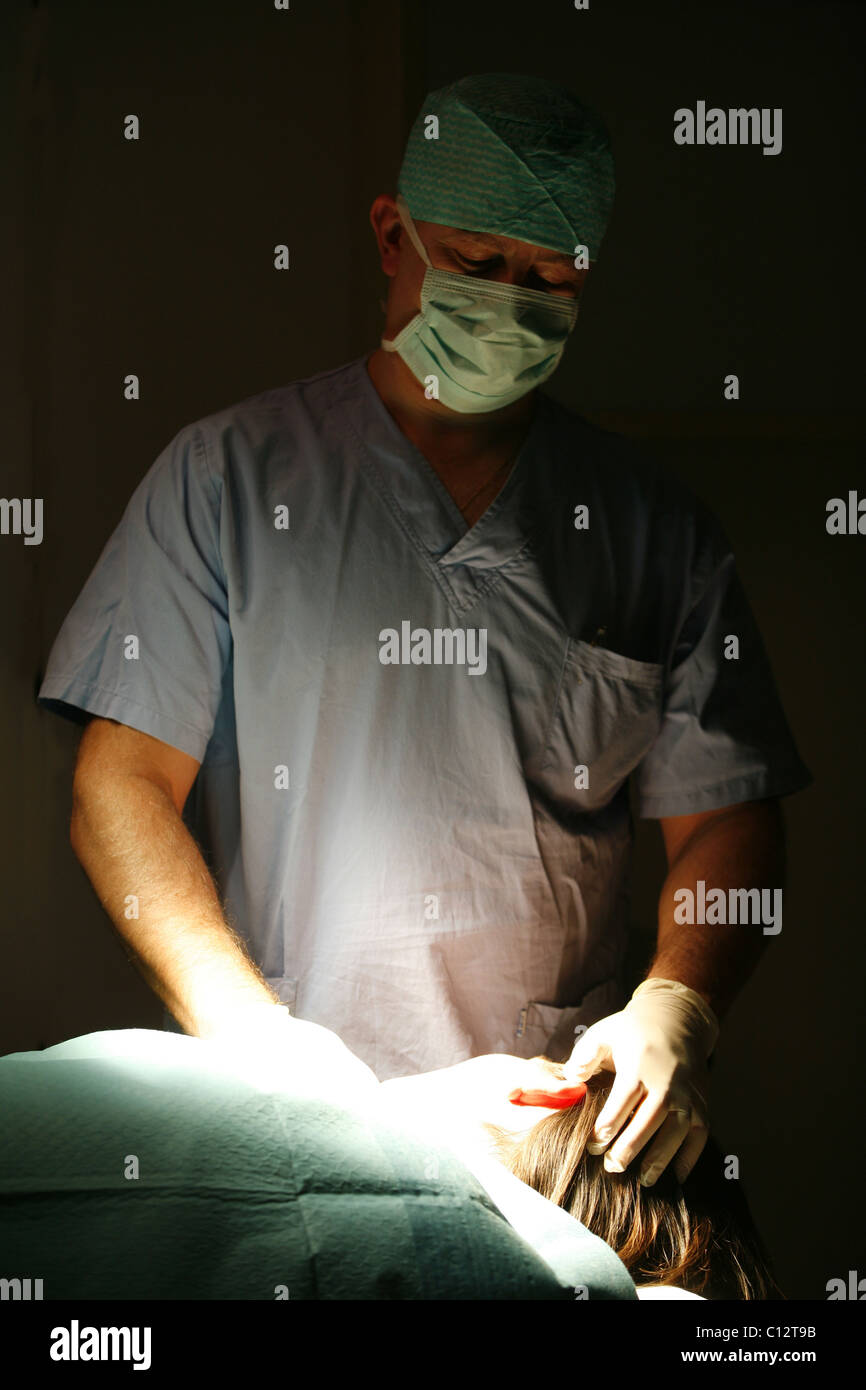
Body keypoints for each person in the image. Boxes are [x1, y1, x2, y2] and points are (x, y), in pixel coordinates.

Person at [36, 73, 812, 1190]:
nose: (508, 300)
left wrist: (676, 1004)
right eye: (478, 266)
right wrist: (262, 1048)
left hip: (556, 1132)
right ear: (391, 237)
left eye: (545, 278)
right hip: (296, 1122)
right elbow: (118, 793)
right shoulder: (229, 480)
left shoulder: (651, 529)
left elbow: (725, 822)